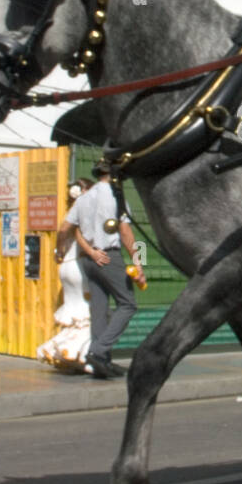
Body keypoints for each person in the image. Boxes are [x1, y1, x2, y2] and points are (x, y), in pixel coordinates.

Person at [69, 162, 141, 379]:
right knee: (128, 304)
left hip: (90, 261)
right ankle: (98, 351)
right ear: (114, 175)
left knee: (99, 310)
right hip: (110, 256)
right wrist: (139, 262)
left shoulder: (82, 199)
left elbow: (68, 227)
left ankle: (101, 363)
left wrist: (88, 251)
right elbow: (127, 233)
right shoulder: (116, 196)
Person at [39, 178, 97, 372]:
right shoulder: (86, 212)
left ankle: (63, 352)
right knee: (90, 312)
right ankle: (78, 353)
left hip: (67, 265)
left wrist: (58, 251)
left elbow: (63, 231)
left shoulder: (70, 212)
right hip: (81, 265)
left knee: (74, 311)